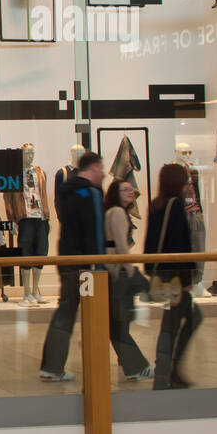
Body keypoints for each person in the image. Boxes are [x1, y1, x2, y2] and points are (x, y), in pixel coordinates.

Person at [39, 151, 106, 382]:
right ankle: (59, 366)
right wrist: (100, 266)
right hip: (87, 267)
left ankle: (52, 365)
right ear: (94, 168)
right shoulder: (90, 194)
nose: (104, 173)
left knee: (66, 311)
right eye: (101, 168)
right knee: (95, 313)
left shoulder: (68, 192)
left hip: (68, 260)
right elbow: (95, 233)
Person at [144, 163, 200, 389]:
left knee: (174, 323)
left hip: (163, 273)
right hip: (176, 277)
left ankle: (169, 371)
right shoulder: (175, 206)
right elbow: (180, 246)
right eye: (185, 180)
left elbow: (151, 241)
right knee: (178, 322)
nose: (189, 185)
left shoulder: (157, 204)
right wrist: (187, 280)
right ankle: (167, 372)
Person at [102, 180, 152, 381]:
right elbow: (120, 245)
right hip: (118, 271)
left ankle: (128, 361)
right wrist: (130, 269)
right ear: (116, 193)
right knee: (120, 324)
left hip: (113, 270)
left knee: (119, 322)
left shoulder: (111, 212)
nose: (131, 192)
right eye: (125, 190)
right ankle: (137, 365)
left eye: (132, 189)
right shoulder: (118, 213)